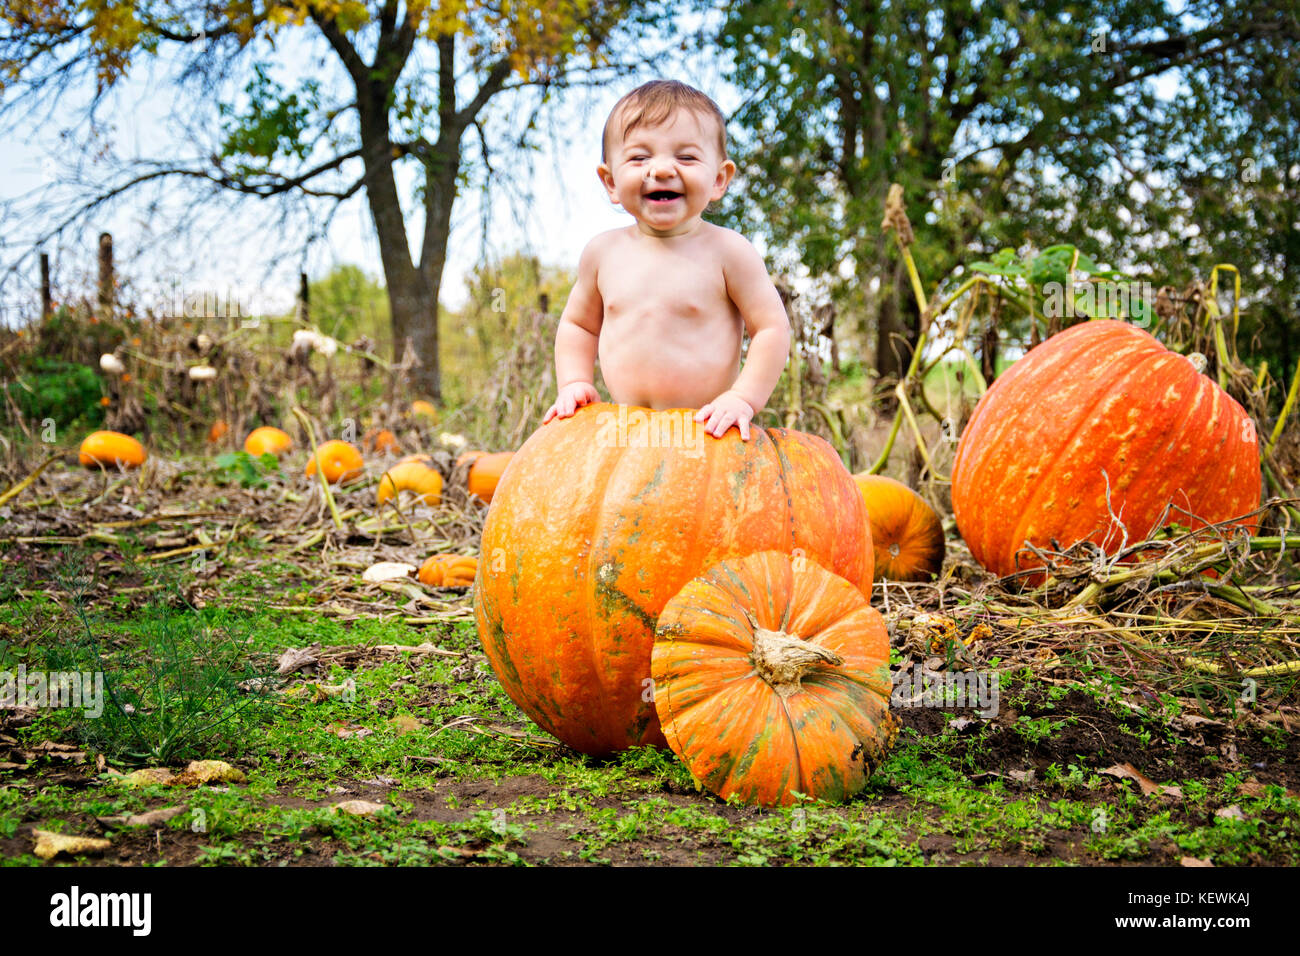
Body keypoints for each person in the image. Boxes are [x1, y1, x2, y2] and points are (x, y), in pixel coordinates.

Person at [540, 79, 790, 441]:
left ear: (719, 179)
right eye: (639, 157)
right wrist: (575, 382)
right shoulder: (602, 253)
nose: (660, 170)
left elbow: (770, 328)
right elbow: (579, 325)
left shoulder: (729, 252)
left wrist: (742, 399)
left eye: (686, 157)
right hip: (626, 431)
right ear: (610, 182)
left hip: (707, 431)